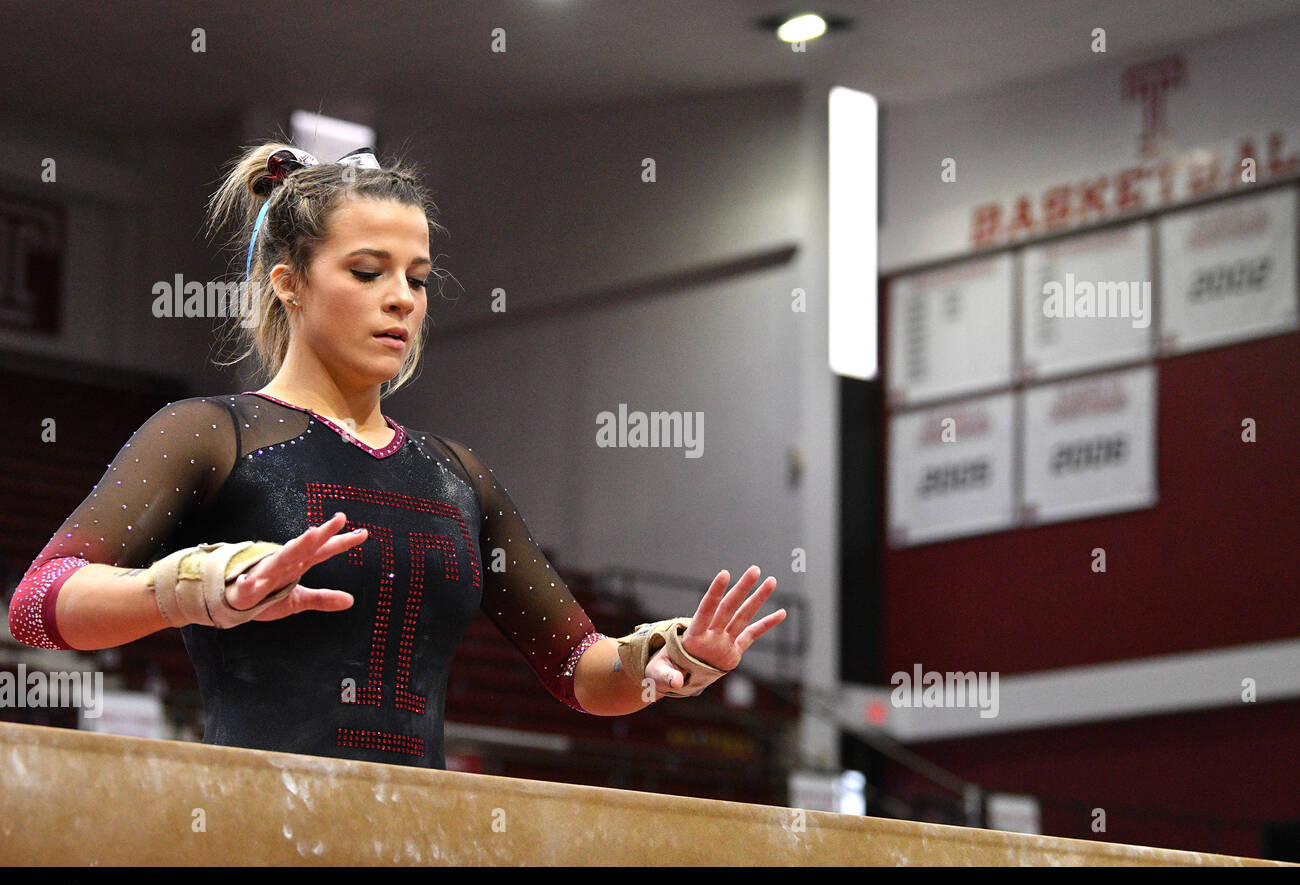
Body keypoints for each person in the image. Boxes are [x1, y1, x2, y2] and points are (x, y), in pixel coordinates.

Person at [6, 142, 786, 770]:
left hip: (415, 835)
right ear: (289, 284)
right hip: (253, 826)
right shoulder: (211, 434)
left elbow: (584, 671)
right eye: (367, 272)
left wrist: (668, 659)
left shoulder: (458, 475)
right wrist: (195, 585)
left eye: (416, 279)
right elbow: (39, 605)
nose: (402, 299)